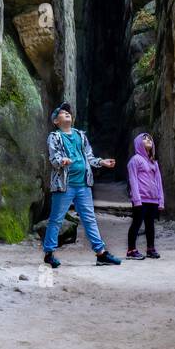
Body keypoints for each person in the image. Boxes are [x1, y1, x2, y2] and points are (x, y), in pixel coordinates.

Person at [42, 102, 122, 267]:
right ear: (56, 121)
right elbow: (53, 158)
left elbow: (89, 157)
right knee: (56, 219)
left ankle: (101, 253)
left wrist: (102, 162)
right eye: (63, 113)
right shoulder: (54, 137)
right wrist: (61, 161)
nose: (67, 114)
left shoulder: (80, 135)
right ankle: (49, 253)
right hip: (64, 185)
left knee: (89, 219)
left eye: (68, 112)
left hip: (83, 185)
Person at [126, 132, 164, 259]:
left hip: (153, 200)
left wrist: (161, 201)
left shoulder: (154, 162)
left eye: (150, 138)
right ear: (138, 143)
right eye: (144, 138)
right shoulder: (135, 160)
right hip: (140, 199)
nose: (148, 139)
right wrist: (136, 199)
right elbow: (133, 180)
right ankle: (131, 250)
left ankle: (150, 248)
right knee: (136, 223)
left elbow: (159, 182)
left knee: (150, 225)